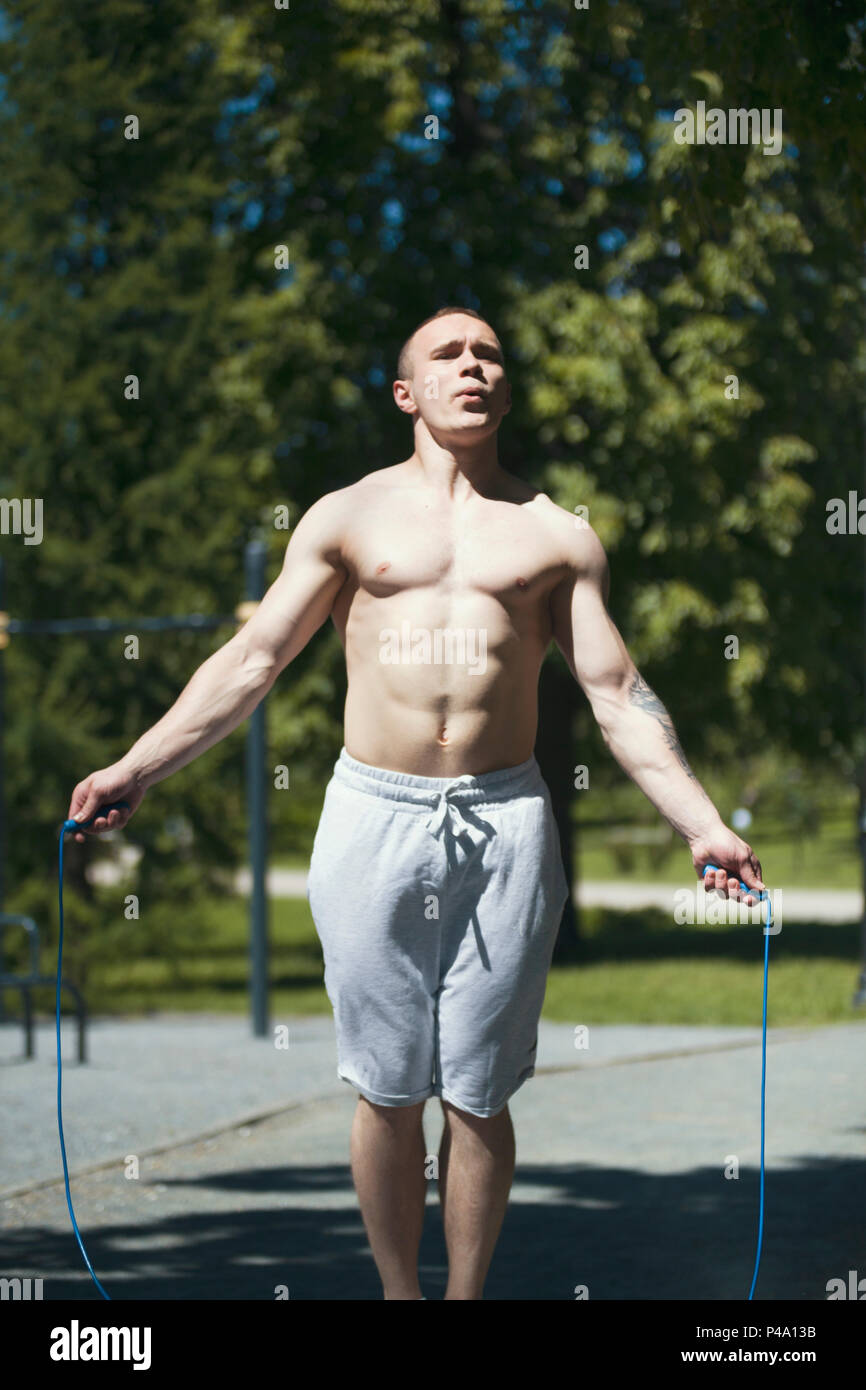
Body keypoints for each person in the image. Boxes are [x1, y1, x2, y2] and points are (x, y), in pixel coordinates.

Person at [68, 306, 766, 1300]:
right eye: (448, 353)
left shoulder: (554, 534)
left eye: (488, 354)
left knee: (477, 1094)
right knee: (387, 1086)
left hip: (507, 822)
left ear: (503, 390)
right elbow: (254, 660)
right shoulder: (344, 516)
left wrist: (702, 823)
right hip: (372, 815)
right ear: (407, 393)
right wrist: (136, 765)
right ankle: (398, 1294)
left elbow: (616, 694)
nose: (471, 365)